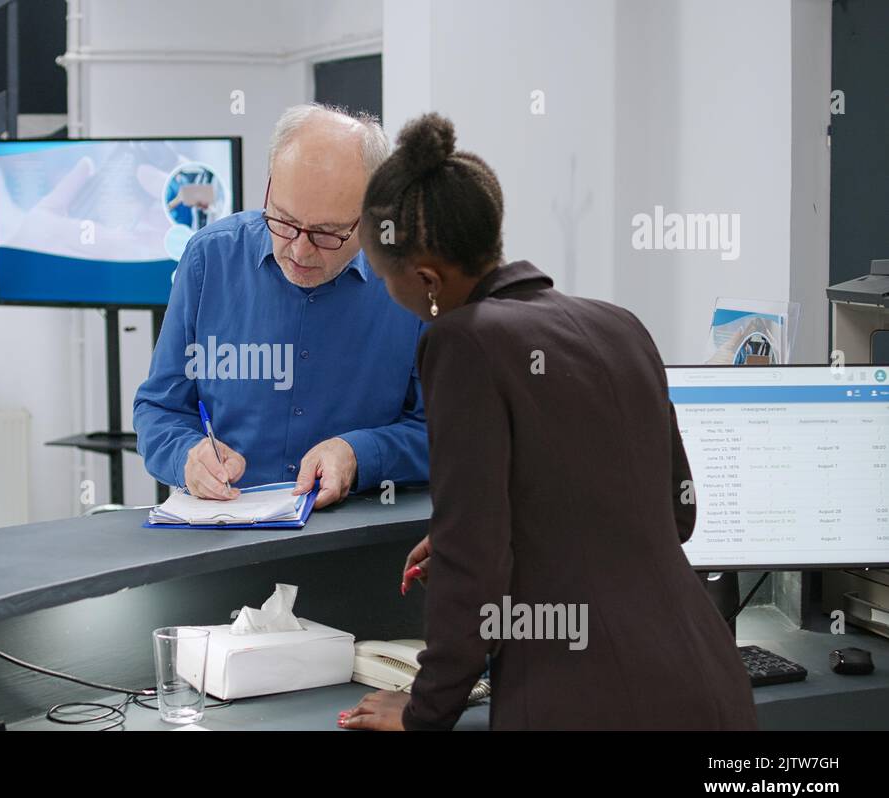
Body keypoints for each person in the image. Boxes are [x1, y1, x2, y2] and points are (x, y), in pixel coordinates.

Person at [340, 113, 757, 730]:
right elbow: (678, 512)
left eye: (385, 278)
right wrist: (512, 539)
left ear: (426, 280)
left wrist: (423, 711)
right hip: (710, 683)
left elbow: (475, 570)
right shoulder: (620, 324)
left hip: (591, 700)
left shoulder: (460, 342)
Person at [133, 104, 429, 508]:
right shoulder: (209, 260)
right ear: (270, 188)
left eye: (326, 233)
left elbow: (448, 433)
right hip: (223, 544)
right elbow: (159, 408)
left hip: (359, 543)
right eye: (284, 221)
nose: (299, 250)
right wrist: (186, 456)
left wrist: (359, 454)